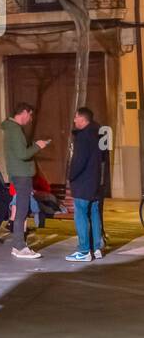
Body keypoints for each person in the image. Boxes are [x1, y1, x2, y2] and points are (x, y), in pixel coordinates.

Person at [0, 102, 50, 260]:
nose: (30, 119)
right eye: (30, 115)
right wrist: (37, 146)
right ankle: (19, 246)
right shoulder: (15, 130)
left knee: (21, 210)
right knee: (21, 211)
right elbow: (22, 154)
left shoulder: (11, 129)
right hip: (22, 175)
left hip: (19, 174)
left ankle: (18, 245)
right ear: (24, 113)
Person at [66, 106, 104, 262]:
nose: (74, 120)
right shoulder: (97, 134)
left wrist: (71, 176)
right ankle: (96, 248)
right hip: (95, 182)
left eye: (76, 117)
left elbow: (79, 161)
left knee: (81, 214)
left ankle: (83, 251)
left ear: (83, 119)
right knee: (94, 214)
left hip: (83, 183)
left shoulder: (83, 137)